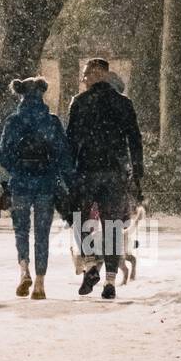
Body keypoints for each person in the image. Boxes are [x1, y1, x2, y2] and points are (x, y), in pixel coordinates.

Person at [66, 57, 144, 301]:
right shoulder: (123, 103)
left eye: (87, 74)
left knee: (82, 220)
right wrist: (137, 169)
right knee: (112, 226)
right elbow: (134, 138)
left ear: (99, 73)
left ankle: (90, 265)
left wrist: (69, 171)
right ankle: (110, 280)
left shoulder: (80, 103)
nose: (84, 79)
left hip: (87, 171)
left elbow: (71, 141)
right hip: (115, 172)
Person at [0, 77, 74, 300]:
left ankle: (24, 270)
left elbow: (3, 155)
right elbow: (63, 154)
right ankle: (40, 283)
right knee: (42, 233)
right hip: (46, 184)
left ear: (21, 94)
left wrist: (17, 169)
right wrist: (55, 173)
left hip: (20, 183)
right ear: (42, 93)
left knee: (21, 229)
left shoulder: (13, 122)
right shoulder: (51, 121)